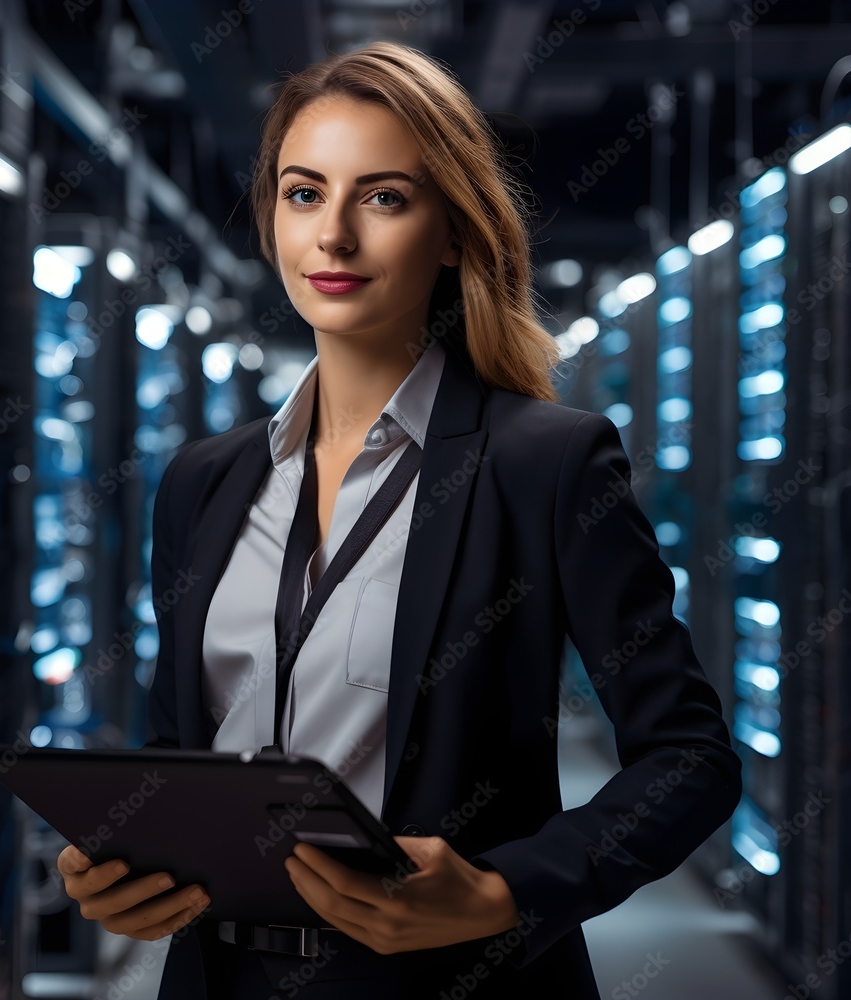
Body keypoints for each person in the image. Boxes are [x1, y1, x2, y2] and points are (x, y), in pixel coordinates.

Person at [58, 39, 743, 999]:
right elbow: (178, 752)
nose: (333, 236)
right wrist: (129, 857)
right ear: (273, 220)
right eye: (304, 193)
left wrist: (505, 891)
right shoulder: (202, 482)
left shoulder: (544, 462)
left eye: (383, 198)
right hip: (219, 977)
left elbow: (690, 759)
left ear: (454, 232)